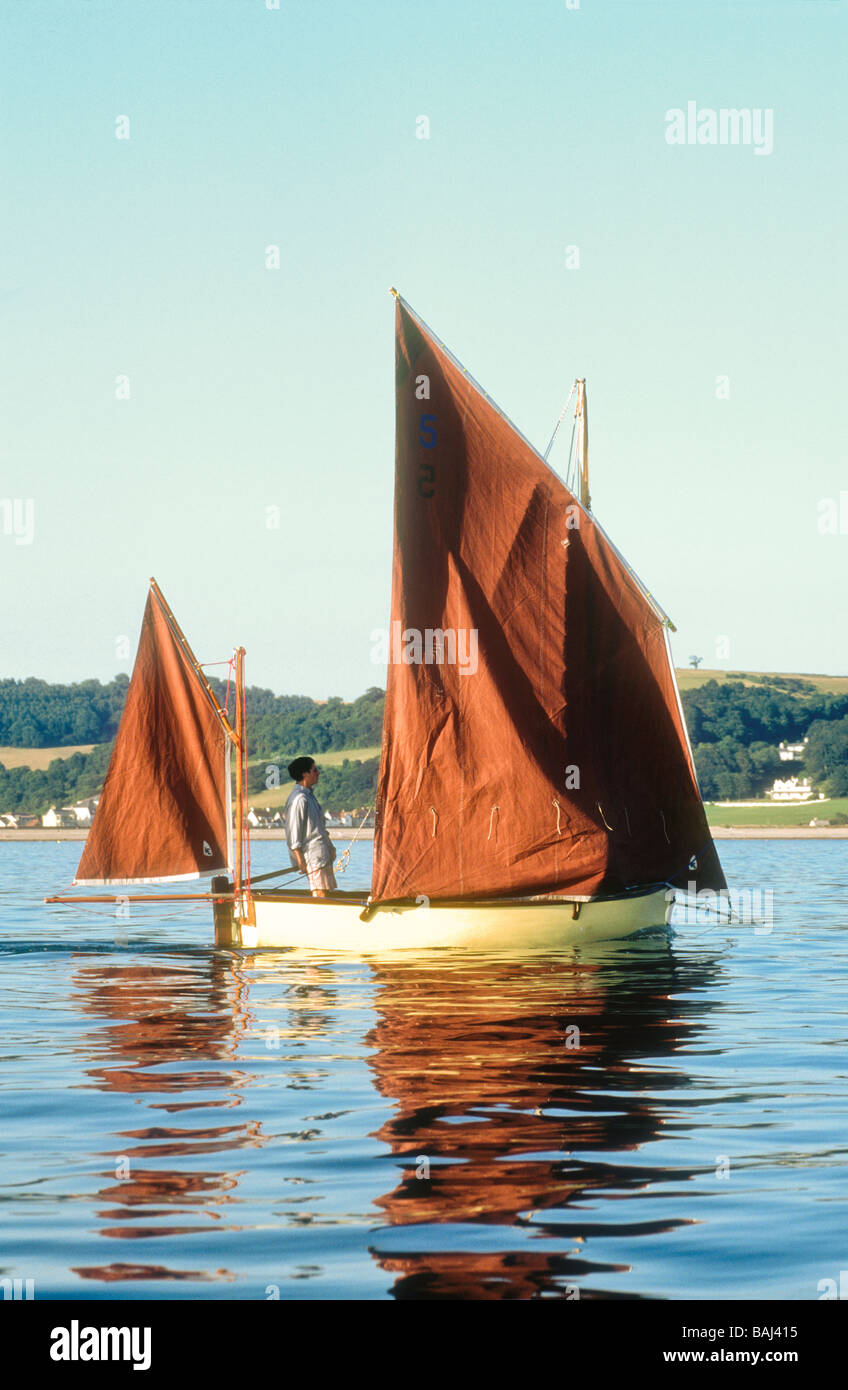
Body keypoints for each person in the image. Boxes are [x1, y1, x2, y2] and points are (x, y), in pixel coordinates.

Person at [284, 756, 337, 897]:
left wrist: (330, 847)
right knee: (320, 893)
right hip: (312, 857)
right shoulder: (299, 799)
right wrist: (300, 860)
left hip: (321, 855)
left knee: (327, 892)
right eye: (314, 770)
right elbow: (293, 832)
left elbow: (318, 828)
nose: (318, 773)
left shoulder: (309, 797)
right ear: (304, 774)